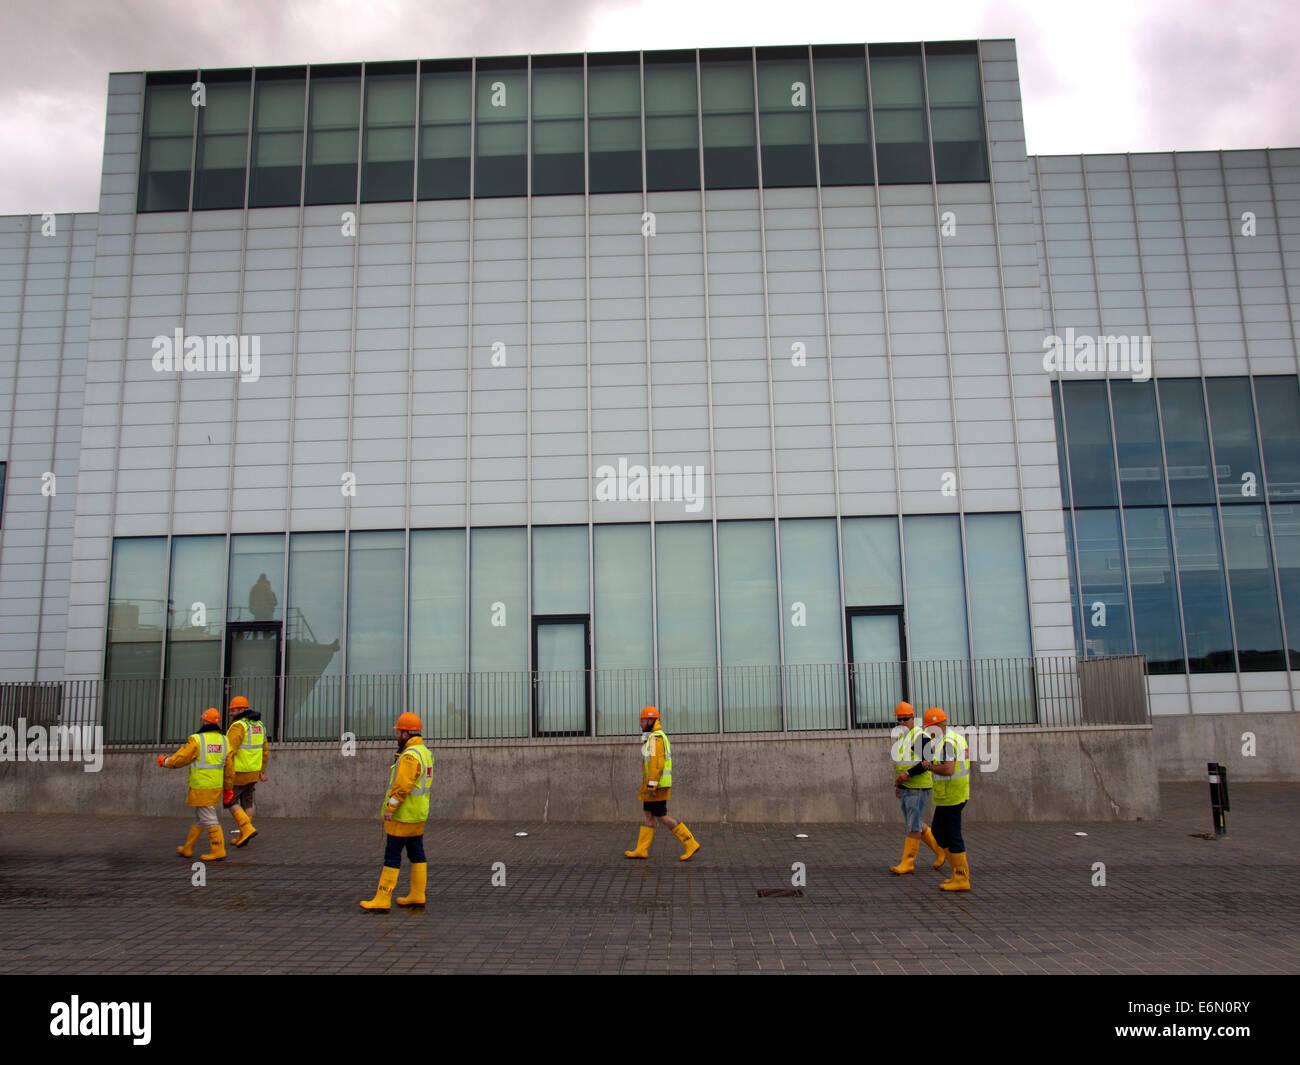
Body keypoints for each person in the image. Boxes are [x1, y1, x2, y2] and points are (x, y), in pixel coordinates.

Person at [360, 712, 434, 911]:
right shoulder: (424, 752)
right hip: (418, 814)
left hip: (403, 815)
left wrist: (390, 807)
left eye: (399, 731)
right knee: (417, 853)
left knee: (392, 855)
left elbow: (402, 786)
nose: (396, 735)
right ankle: (417, 895)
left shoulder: (409, 755)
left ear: (405, 733)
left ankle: (382, 898)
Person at [623, 706, 700, 861]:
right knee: (649, 815)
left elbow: (656, 764)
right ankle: (641, 850)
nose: (640, 723)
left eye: (643, 720)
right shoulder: (652, 737)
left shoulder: (655, 738)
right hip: (653, 785)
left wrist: (652, 785)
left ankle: (690, 842)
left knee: (662, 816)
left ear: (651, 720)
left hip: (656, 786)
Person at [158, 707, 228, 862]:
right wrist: (228, 787)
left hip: (201, 785)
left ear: (204, 721)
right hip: (216, 785)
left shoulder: (197, 739)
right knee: (200, 817)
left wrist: (165, 761)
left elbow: (181, 758)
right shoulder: (224, 740)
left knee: (208, 818)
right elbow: (229, 766)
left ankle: (218, 849)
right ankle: (188, 848)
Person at [888, 701, 946, 874]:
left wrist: (907, 775)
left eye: (905, 719)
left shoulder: (918, 736)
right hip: (907, 786)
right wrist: (898, 784)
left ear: (913, 718)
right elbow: (900, 764)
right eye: (899, 720)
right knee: (915, 823)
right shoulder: (904, 737)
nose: (902, 722)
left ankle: (908, 862)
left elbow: (927, 762)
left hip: (918, 787)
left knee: (913, 825)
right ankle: (940, 851)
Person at [924, 707, 971, 892]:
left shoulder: (947, 743)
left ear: (938, 725)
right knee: (939, 832)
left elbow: (948, 769)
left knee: (952, 835)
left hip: (952, 795)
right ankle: (957, 874)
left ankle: (961, 877)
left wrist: (929, 766)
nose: (928, 731)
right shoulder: (951, 738)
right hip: (951, 795)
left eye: (929, 727)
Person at [223, 694, 269, 847]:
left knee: (230, 800)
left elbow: (229, 750)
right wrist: (261, 770)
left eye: (233, 711)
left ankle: (246, 829)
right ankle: (244, 834)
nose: (230, 713)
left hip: (238, 771)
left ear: (242, 710)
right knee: (248, 803)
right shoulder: (259, 725)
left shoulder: (239, 726)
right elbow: (265, 750)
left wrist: (224, 769)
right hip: (253, 771)